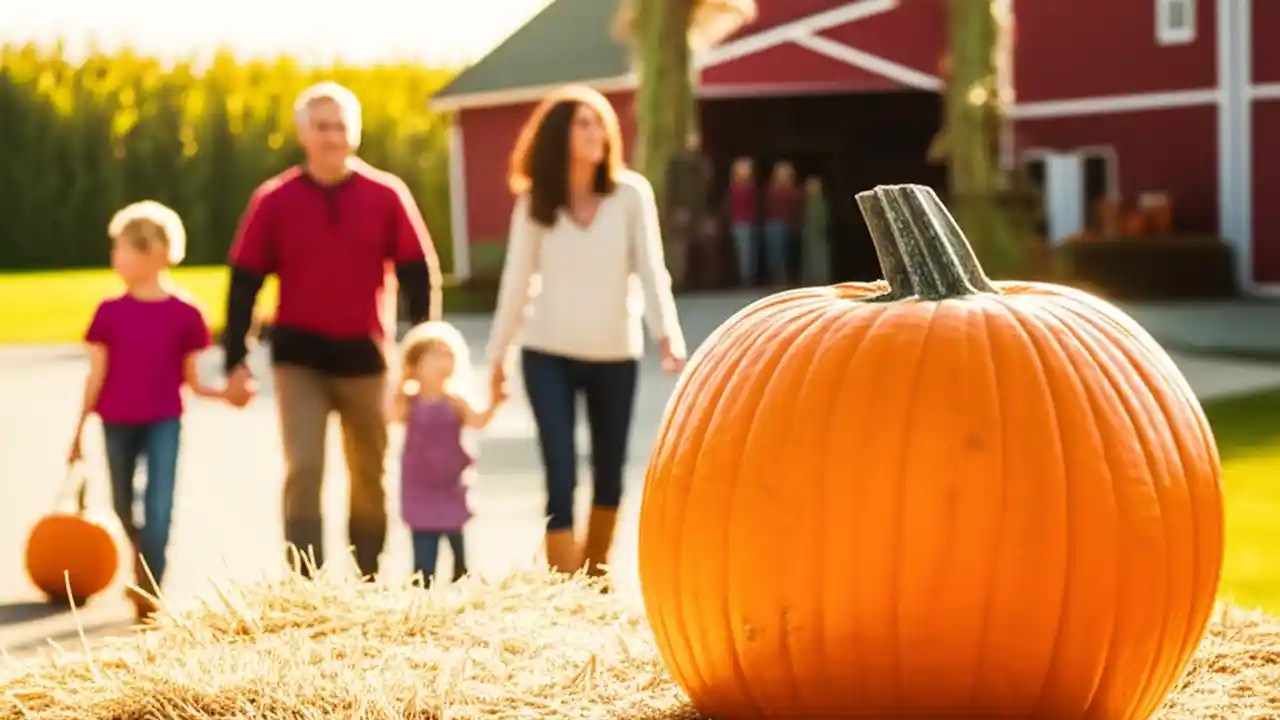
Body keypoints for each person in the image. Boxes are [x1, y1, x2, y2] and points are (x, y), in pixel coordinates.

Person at [221, 81, 443, 579]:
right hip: (300, 361)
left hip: (366, 360)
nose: (332, 136)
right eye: (322, 126)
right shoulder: (274, 200)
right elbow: (244, 283)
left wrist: (423, 355)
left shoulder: (386, 195)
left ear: (355, 134)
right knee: (304, 467)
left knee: (369, 473)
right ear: (304, 134)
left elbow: (417, 275)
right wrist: (237, 358)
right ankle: (306, 583)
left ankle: (366, 574)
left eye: (341, 126)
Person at [485, 84, 688, 576]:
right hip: (545, 352)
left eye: (600, 123)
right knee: (559, 468)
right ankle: (562, 580)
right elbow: (515, 284)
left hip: (614, 353)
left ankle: (593, 576)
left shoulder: (630, 195)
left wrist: (668, 335)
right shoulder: (536, 202)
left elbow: (650, 269)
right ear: (559, 136)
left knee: (610, 472)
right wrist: (496, 360)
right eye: (583, 123)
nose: (596, 132)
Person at [68, 200, 225, 619]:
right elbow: (95, 378)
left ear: (151, 252)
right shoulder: (108, 313)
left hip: (163, 421)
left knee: (159, 508)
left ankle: (150, 591)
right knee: (123, 505)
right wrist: (78, 433)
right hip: (115, 421)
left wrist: (229, 395)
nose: (114, 256)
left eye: (121, 248)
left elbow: (193, 381)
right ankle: (142, 561)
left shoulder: (186, 314)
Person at [390, 321, 504, 587]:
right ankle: (422, 589)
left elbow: (478, 421)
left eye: (448, 355)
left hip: (451, 488)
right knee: (424, 558)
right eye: (434, 356)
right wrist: (398, 381)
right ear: (415, 365)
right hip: (419, 491)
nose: (443, 363)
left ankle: (460, 582)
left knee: (459, 553)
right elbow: (387, 414)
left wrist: (495, 400)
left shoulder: (456, 402)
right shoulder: (409, 403)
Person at [764, 161, 800, 286]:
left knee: (786, 253)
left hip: (786, 224)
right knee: (775, 253)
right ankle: (777, 277)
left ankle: (783, 277)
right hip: (774, 223)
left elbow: (795, 207)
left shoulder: (792, 189)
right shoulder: (773, 188)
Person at [727, 157, 758, 287]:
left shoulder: (746, 186)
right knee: (744, 252)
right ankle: (745, 278)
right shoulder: (738, 188)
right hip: (740, 222)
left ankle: (747, 277)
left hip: (747, 221)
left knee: (748, 252)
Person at [801, 176, 831, 285]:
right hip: (809, 233)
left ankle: (820, 279)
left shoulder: (820, 201)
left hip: (818, 234)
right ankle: (811, 278)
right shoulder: (807, 201)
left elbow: (823, 218)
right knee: (809, 257)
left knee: (819, 257)